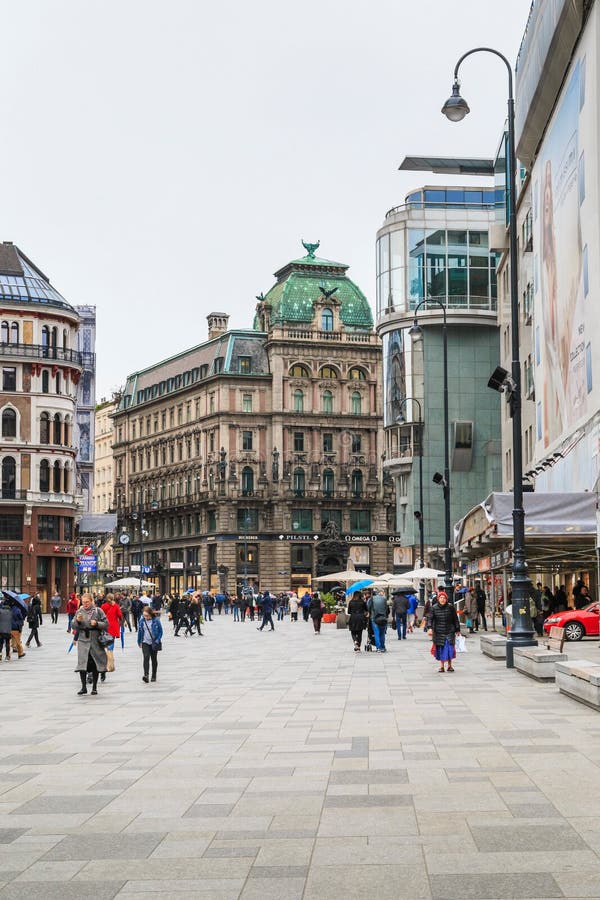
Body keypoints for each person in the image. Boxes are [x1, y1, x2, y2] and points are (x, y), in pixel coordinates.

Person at [72, 594, 109, 695]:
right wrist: (77, 621)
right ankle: (83, 687)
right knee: (82, 664)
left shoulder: (98, 611)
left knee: (94, 663)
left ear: (92, 601)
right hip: (83, 640)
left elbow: (106, 624)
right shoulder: (79, 611)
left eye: (87, 602)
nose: (85, 604)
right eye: (83, 602)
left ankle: (94, 687)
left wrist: (97, 623)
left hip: (95, 641)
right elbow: (73, 625)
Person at [427, 591, 460, 672]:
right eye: (441, 598)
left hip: (450, 631)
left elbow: (455, 619)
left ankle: (450, 665)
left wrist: (457, 629)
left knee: (449, 649)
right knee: (441, 649)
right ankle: (441, 666)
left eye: (444, 598)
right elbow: (430, 619)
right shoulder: (434, 608)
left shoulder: (450, 607)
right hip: (439, 631)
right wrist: (430, 628)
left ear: (446, 599)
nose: (442, 599)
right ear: (438, 599)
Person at [138, 605, 163, 683]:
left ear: (150, 614)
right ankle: (146, 675)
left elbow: (160, 632)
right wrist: (139, 641)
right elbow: (140, 632)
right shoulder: (141, 621)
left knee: (153, 659)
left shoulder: (156, 621)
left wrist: (158, 640)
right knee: (146, 657)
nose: (145, 617)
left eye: (147, 615)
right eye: (144, 615)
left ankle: (154, 675)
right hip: (145, 641)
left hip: (154, 642)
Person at [101, 593, 123, 679]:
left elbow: (101, 616)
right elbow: (120, 616)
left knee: (104, 644)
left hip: (105, 627)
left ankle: (106, 660)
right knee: (110, 645)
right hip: (113, 627)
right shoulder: (116, 606)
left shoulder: (103, 606)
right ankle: (110, 661)